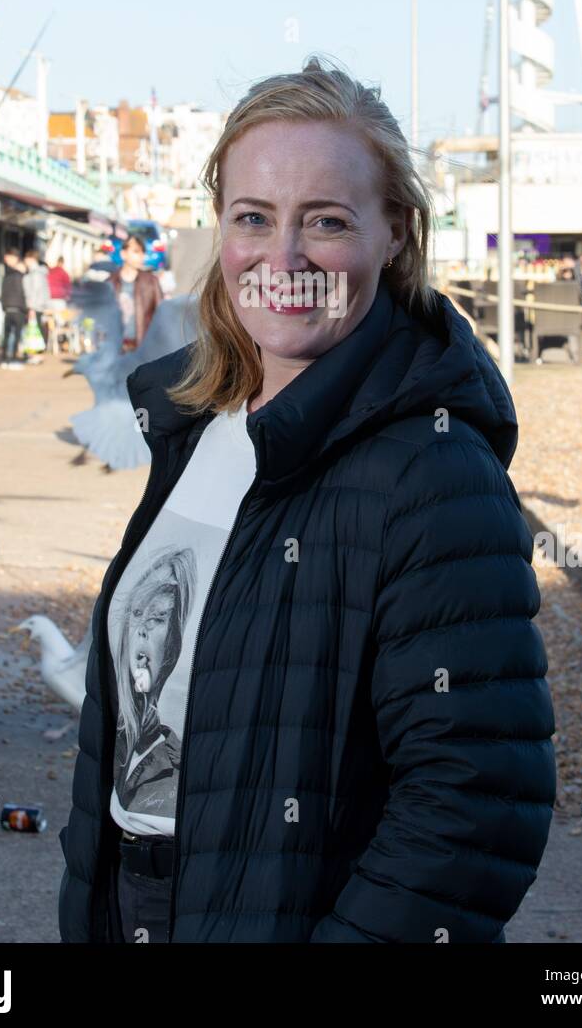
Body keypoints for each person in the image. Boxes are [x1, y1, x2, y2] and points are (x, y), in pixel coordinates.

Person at [58, 56, 556, 945]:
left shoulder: (435, 474)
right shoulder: (201, 427)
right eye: (255, 217)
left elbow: (474, 808)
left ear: (395, 231)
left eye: (325, 221)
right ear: (223, 227)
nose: (282, 257)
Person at [109, 235, 163, 353]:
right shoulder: (110, 282)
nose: (141, 256)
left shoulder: (151, 282)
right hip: (116, 349)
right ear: (123, 254)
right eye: (136, 251)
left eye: (143, 252)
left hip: (143, 349)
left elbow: (161, 315)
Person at [23, 250, 52, 360]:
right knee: (36, 329)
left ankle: (37, 354)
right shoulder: (38, 273)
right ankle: (35, 353)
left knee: (36, 330)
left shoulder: (35, 274)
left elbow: (34, 291)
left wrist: (31, 307)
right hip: (39, 305)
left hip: (35, 306)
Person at [0, 250, 28, 367]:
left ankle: (5, 358)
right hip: (19, 309)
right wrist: (25, 308)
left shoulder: (6, 276)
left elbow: (2, 293)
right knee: (17, 335)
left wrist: (4, 306)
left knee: (7, 335)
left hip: (8, 308)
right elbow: (24, 293)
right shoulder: (21, 277)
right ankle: (14, 358)